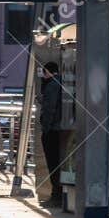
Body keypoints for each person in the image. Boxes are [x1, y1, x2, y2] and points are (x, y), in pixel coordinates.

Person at [39, 60, 74, 209]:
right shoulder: (63, 83)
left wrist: (45, 128)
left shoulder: (52, 86)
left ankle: (56, 196)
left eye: (42, 73)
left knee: (53, 163)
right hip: (64, 129)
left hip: (53, 130)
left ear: (46, 72)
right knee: (60, 163)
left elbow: (49, 109)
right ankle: (60, 195)